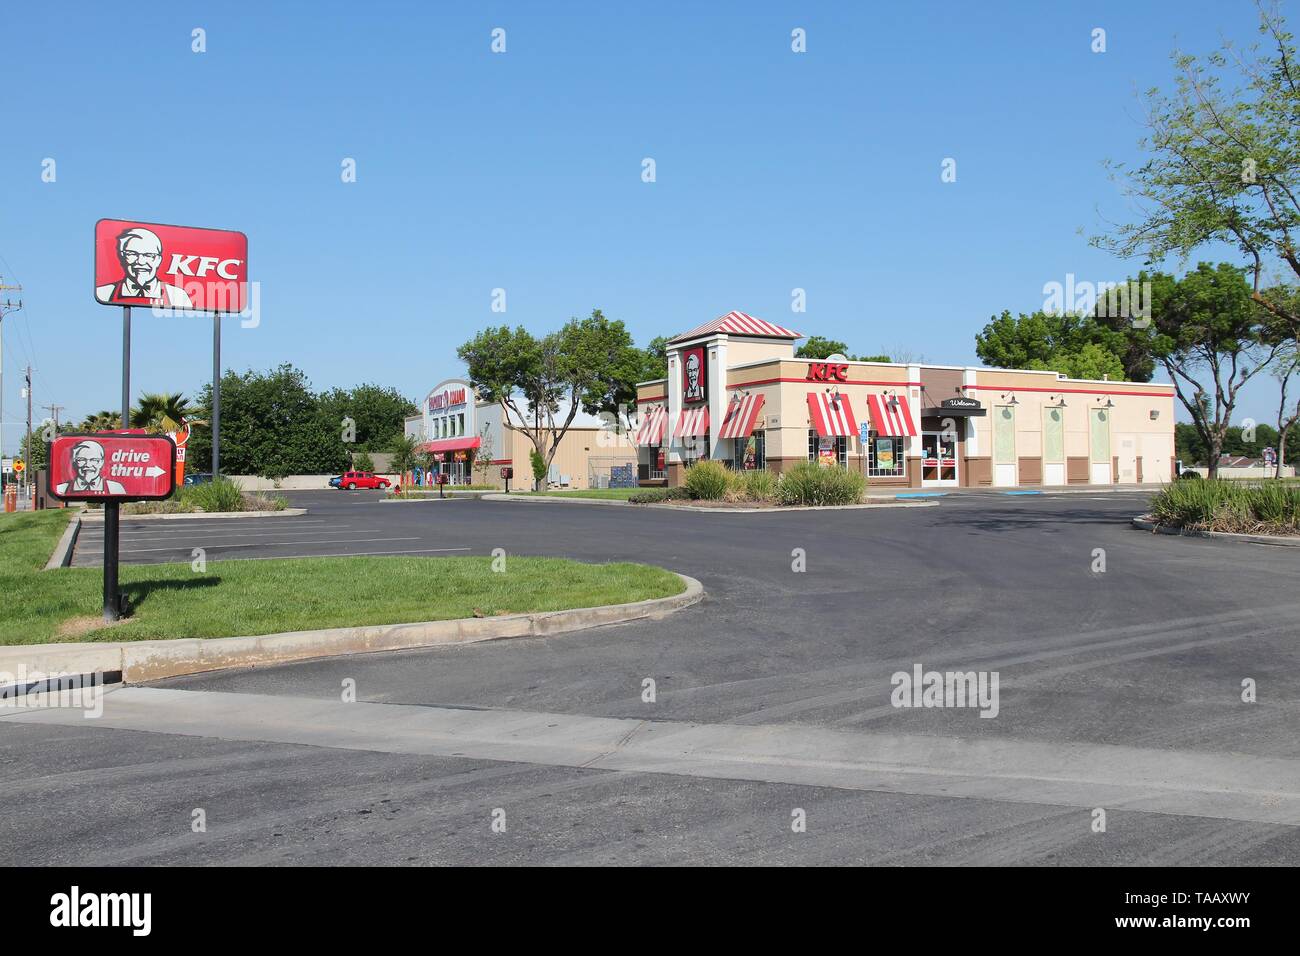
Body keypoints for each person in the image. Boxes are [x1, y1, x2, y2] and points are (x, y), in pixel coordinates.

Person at [95, 227, 194, 308]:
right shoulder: (104, 292)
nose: (141, 262)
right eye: (132, 254)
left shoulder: (178, 296)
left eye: (149, 255)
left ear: (158, 260)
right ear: (122, 257)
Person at [55, 440, 126, 495]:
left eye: (94, 460)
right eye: (82, 459)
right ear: (74, 462)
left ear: (101, 462)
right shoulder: (61, 489)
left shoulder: (116, 488)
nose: (88, 465)